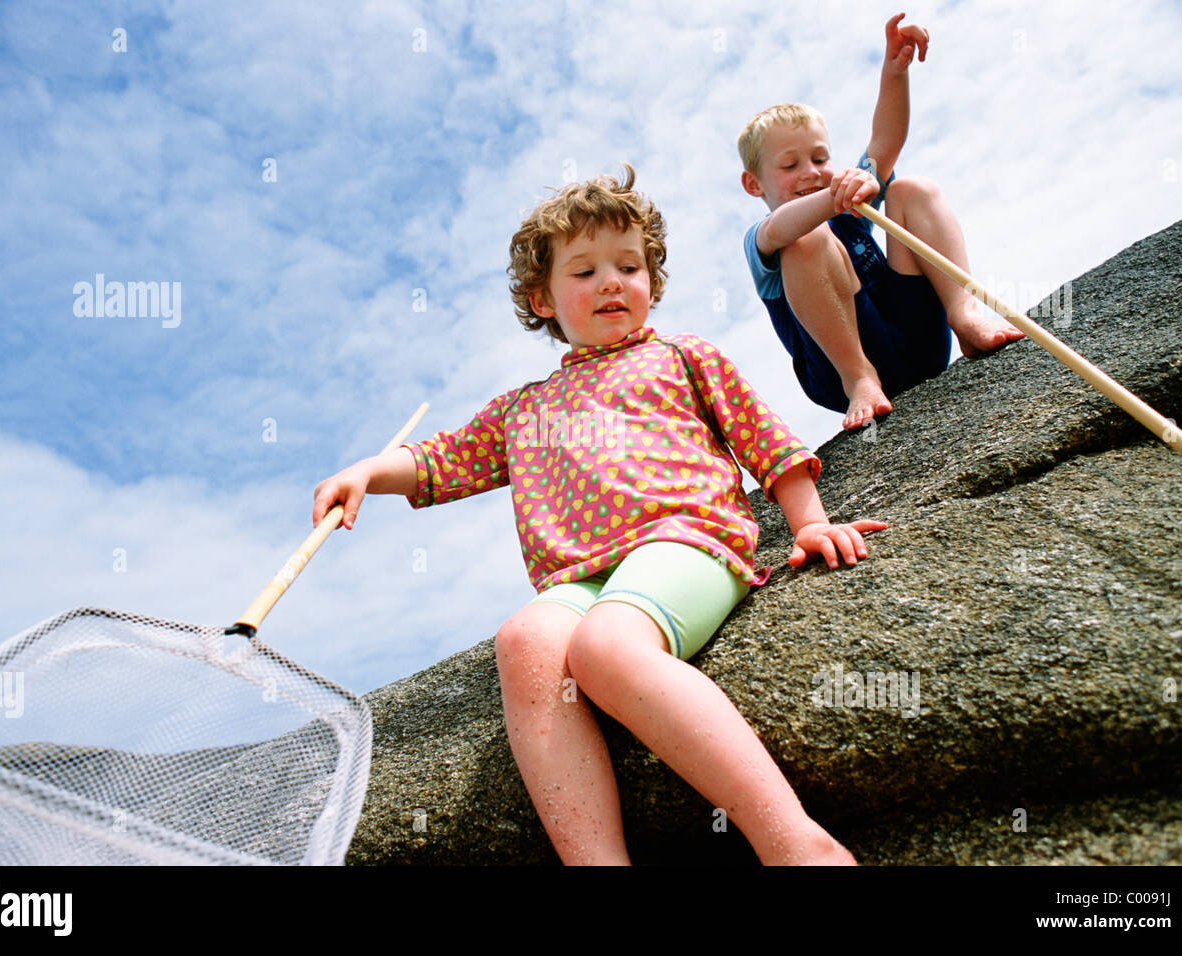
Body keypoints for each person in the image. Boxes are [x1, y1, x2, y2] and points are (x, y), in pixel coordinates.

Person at [312, 165, 886, 865]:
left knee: (607, 649)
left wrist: (809, 524)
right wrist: (368, 472)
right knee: (524, 642)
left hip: (685, 541)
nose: (612, 282)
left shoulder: (681, 356)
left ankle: (796, 843)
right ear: (541, 298)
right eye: (583, 272)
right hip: (578, 578)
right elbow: (440, 462)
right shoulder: (523, 410)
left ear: (651, 278)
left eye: (629, 265)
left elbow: (766, 441)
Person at [739, 12, 1025, 432]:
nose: (811, 172)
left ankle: (964, 314)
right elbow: (783, 229)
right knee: (803, 238)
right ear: (753, 184)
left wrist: (895, 69)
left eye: (820, 159)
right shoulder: (761, 239)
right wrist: (837, 198)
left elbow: (886, 141)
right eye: (790, 164)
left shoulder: (849, 202)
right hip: (837, 374)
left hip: (917, 342)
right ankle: (861, 377)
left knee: (912, 189)